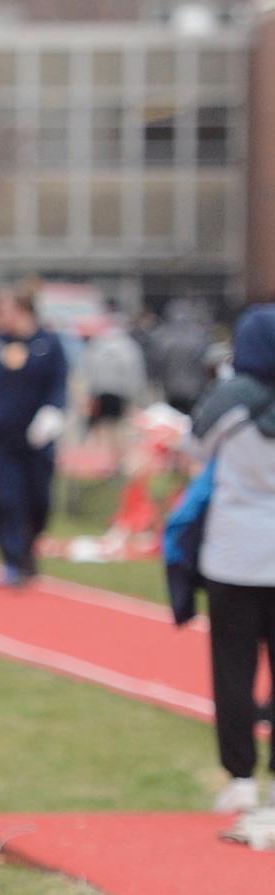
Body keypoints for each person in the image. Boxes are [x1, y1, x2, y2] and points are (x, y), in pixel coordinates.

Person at [178, 304, 275, 816]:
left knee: (233, 669)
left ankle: (241, 777)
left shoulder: (229, 399)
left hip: (235, 553)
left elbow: (192, 447)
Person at [0, 286, 68, 586]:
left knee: (38, 499)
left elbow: (58, 385)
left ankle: (29, 547)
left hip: (36, 440)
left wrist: (52, 413)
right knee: (4, 497)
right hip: (0, 438)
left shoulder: (48, 344)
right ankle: (13, 557)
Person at [80, 309, 147, 463]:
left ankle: (100, 461)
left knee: (99, 427)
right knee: (118, 427)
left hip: (100, 391)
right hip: (120, 392)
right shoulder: (129, 346)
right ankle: (117, 460)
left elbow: (88, 369)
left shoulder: (96, 344)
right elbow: (134, 371)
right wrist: (135, 395)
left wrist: (90, 392)